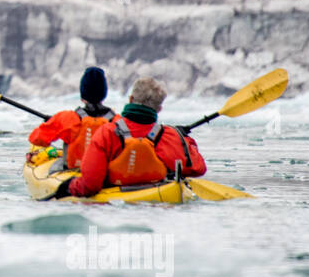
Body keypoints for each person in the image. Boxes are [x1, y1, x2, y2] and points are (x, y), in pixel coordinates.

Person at [58, 76, 206, 198]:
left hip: (114, 202)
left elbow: (90, 185)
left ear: (130, 99)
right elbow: (197, 169)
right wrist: (183, 138)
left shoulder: (107, 133)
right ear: (159, 108)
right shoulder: (169, 136)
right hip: (156, 201)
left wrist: (68, 187)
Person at [28, 66, 116, 169]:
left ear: (83, 95)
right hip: (105, 174)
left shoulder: (68, 118)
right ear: (104, 94)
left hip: (72, 172)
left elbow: (35, 139)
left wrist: (53, 123)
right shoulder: (116, 121)